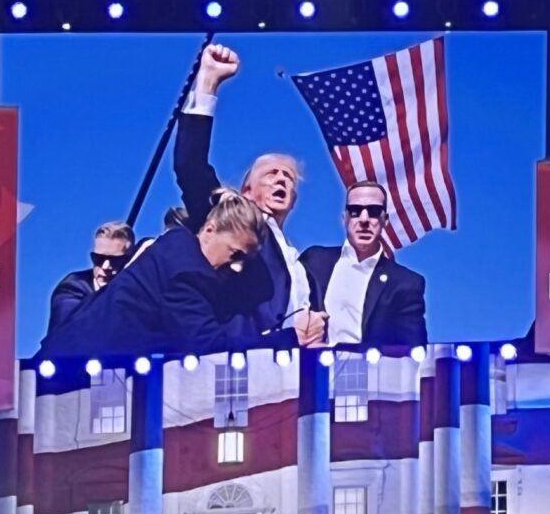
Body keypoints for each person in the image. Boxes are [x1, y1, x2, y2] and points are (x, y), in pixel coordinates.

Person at [175, 43, 323, 343]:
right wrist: (208, 82)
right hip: (244, 369)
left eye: (289, 178)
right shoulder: (234, 224)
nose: (281, 180)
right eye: (271, 173)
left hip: (298, 376)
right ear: (246, 189)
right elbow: (190, 167)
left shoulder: (299, 260)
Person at [38, 192, 297, 362]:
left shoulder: (174, 245)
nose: (237, 267)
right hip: (71, 384)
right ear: (209, 229)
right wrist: (289, 338)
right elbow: (210, 350)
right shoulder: (186, 276)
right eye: (234, 254)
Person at [301, 182, 427, 350]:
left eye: (374, 212)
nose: (364, 219)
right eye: (355, 211)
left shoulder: (405, 284)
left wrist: (336, 352)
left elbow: (413, 350)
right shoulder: (314, 261)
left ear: (385, 220)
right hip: (312, 373)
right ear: (344, 219)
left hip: (370, 373)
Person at [48, 222, 137, 337]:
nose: (106, 267)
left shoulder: (137, 291)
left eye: (115, 260)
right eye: (99, 259)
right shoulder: (72, 287)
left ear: (130, 260)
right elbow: (70, 330)